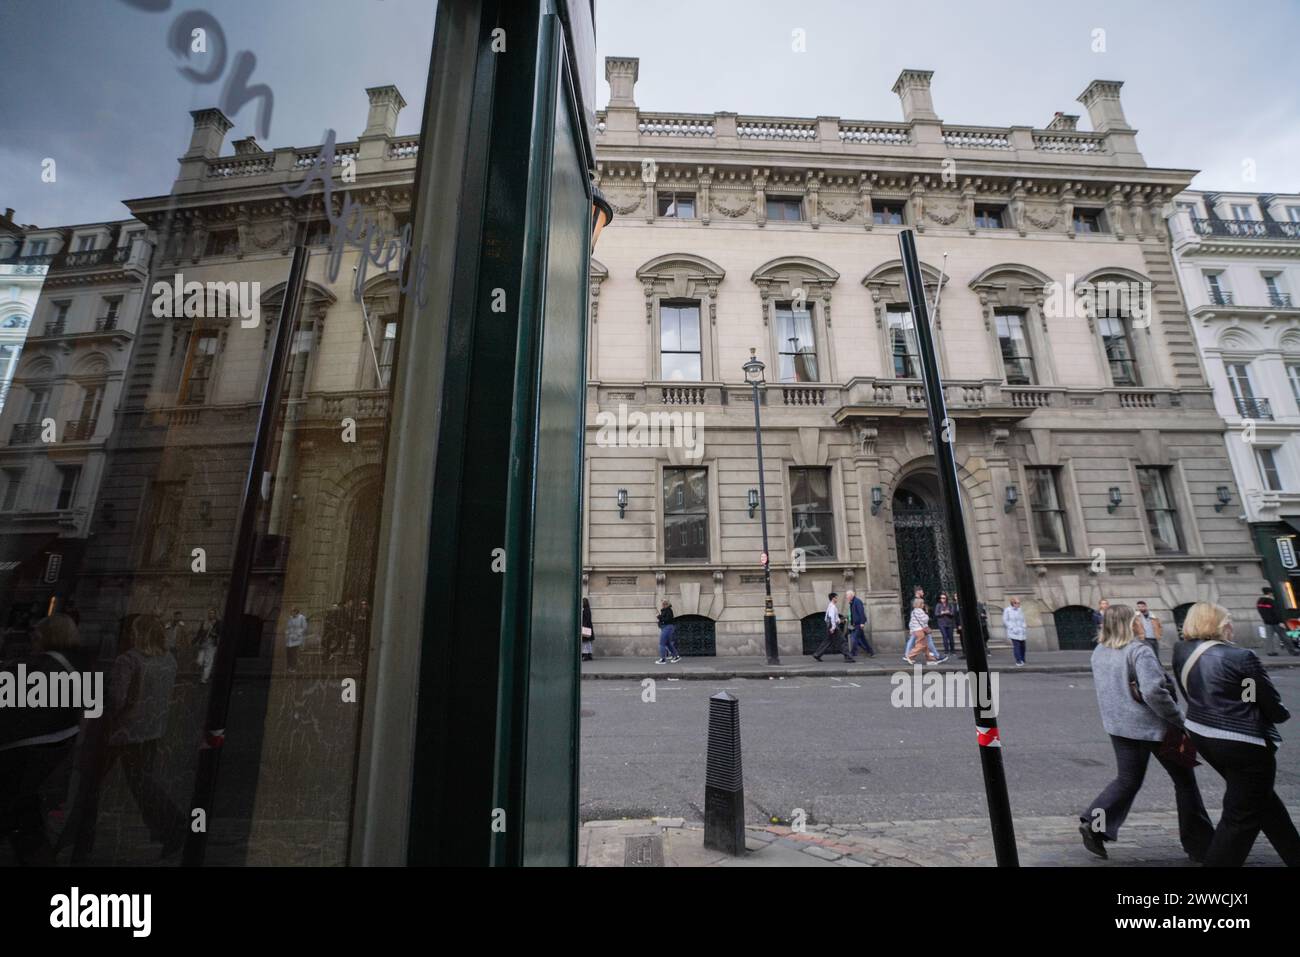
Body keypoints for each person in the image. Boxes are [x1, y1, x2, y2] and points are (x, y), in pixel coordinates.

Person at [1078, 603, 1213, 862]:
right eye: (1136, 619)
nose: (1140, 623)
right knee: (1185, 783)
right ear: (1130, 624)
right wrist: (1178, 719)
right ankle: (1200, 844)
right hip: (1158, 726)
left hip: (1120, 727)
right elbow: (1153, 692)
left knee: (1127, 780)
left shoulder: (1099, 651)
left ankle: (1095, 824)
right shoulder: (1140, 651)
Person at [1173, 602, 1300, 866]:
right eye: (1227, 619)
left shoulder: (1182, 650)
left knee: (1263, 802)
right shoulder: (1241, 657)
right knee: (1241, 817)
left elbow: (1191, 693)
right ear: (1218, 625)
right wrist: (1279, 714)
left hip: (1202, 733)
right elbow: (1262, 700)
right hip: (1243, 741)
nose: (1230, 625)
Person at [70, 614, 188, 862]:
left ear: (137, 634)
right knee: (143, 786)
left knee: (90, 785)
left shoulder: (128, 660)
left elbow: (116, 700)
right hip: (151, 731)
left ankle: (79, 838)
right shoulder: (168, 659)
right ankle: (173, 829)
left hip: (119, 733)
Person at [0, 614, 85, 864]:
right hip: (45, 759)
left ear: (49, 637)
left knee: (22, 820)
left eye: (36, 635)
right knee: (26, 824)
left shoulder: (33, 668)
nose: (32, 640)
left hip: (17, 758)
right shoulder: (75, 667)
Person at [1255, 586, 1295, 657]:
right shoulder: (1271, 601)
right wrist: (1281, 622)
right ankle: (1292, 651)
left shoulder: (1259, 601)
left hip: (1267, 622)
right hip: (1276, 622)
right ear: (1270, 593)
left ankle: (1270, 652)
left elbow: (1260, 611)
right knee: (1284, 637)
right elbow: (1276, 612)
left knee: (1269, 638)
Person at [813, 592, 851, 661]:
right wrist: (833, 627)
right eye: (836, 598)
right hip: (833, 627)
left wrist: (840, 621)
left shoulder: (829, 606)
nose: (837, 599)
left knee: (827, 641)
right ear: (833, 598)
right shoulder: (832, 607)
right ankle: (848, 657)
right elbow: (832, 618)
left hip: (830, 626)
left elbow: (826, 618)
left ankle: (817, 654)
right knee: (842, 641)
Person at [905, 597, 944, 664]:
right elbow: (925, 620)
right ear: (919, 604)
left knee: (925, 644)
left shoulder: (913, 611)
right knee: (921, 645)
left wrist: (912, 630)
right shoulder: (920, 611)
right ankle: (910, 656)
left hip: (916, 630)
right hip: (920, 630)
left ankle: (929, 657)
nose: (923, 604)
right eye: (922, 603)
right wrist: (926, 614)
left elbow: (911, 623)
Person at [194, 607, 220, 684]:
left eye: (212, 613)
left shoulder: (218, 623)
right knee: (199, 661)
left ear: (215, 614)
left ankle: (204, 679)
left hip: (212, 643)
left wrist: (214, 634)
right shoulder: (205, 622)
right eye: (210, 613)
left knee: (208, 661)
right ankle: (202, 674)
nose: (211, 615)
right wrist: (194, 640)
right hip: (203, 642)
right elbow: (200, 632)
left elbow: (220, 632)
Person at [845, 589, 873, 658]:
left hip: (858, 624)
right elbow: (852, 613)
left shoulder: (857, 601)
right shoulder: (852, 602)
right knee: (862, 640)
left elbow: (861, 612)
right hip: (855, 624)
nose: (846, 597)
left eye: (847, 595)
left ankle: (852, 653)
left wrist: (862, 623)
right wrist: (848, 619)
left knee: (854, 638)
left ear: (851, 595)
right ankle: (870, 651)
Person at [1003, 597, 1027, 666]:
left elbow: (1023, 619)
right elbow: (1005, 620)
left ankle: (1023, 659)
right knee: (1017, 645)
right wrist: (1011, 628)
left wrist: (1024, 626)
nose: (1019, 604)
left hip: (1021, 631)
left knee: (1023, 646)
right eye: (1017, 603)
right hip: (1013, 631)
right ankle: (1018, 660)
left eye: (1019, 603)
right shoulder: (1007, 610)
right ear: (1013, 603)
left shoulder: (1020, 610)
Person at [284, 607, 307, 673]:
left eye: (293, 612)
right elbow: (288, 627)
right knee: (289, 654)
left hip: (297, 639)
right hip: (290, 639)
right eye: (291, 612)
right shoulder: (290, 618)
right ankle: (289, 667)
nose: (292, 613)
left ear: (296, 612)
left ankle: (294, 667)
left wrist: (297, 635)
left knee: (294, 654)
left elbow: (304, 628)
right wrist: (287, 633)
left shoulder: (302, 618)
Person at [934, 592, 958, 657]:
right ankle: (946, 651)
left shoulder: (950, 605)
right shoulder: (938, 605)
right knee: (944, 636)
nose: (942, 599)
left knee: (951, 637)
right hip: (942, 623)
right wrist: (941, 613)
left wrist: (948, 612)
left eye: (944, 598)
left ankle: (953, 650)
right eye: (941, 598)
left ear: (946, 598)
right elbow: (936, 614)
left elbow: (953, 613)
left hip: (950, 623)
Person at [656, 599, 679, 664]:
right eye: (662, 604)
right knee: (667, 643)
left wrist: (659, 617)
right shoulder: (665, 610)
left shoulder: (668, 610)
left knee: (661, 643)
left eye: (664, 604)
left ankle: (663, 659)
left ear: (666, 604)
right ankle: (676, 656)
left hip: (667, 627)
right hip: (666, 627)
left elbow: (667, 620)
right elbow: (664, 619)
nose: (662, 605)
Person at [581, 597, 595, 662]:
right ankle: (589, 654)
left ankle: (585, 655)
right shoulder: (588, 609)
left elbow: (585, 620)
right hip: (588, 627)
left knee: (585, 642)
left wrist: (583, 627)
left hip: (585, 627)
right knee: (588, 642)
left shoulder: (585, 610)